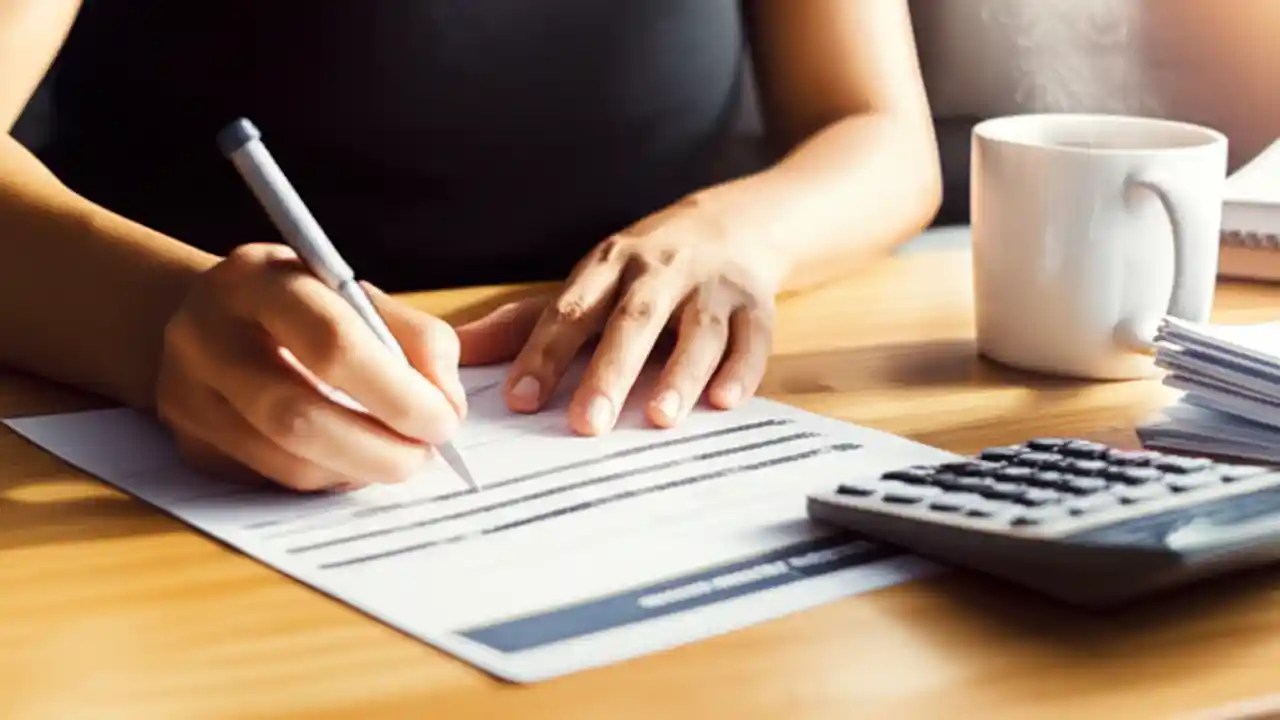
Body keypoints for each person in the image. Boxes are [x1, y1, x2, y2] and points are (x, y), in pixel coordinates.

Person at [0, 0, 941, 492]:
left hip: (613, 431)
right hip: (175, 444)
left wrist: (737, 231)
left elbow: (883, 133)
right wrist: (158, 316)